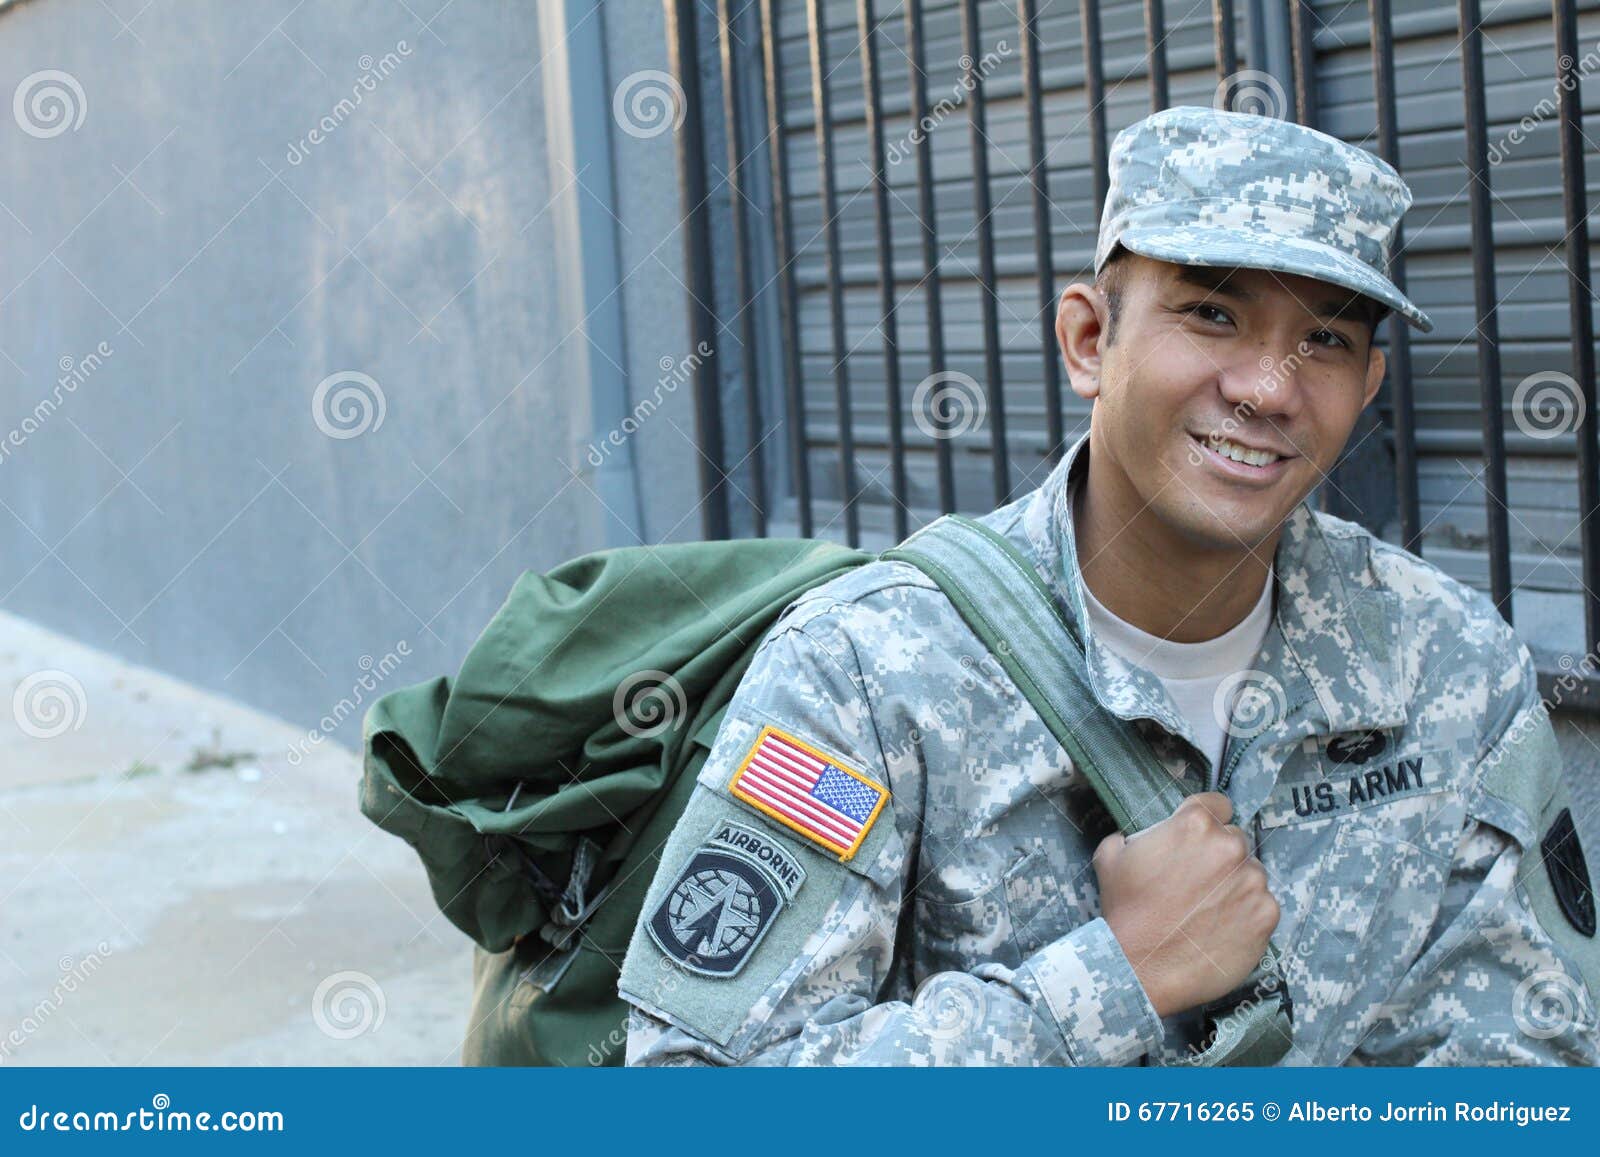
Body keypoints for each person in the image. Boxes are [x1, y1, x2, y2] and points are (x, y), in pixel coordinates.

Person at [614, 105, 1600, 1065]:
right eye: (1211, 312)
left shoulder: (1444, 661)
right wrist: (1110, 978)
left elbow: (1531, 1054)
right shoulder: (864, 671)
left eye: (1327, 340)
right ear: (1090, 340)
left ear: (1368, 386)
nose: (1268, 388)